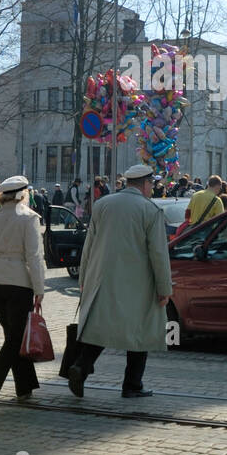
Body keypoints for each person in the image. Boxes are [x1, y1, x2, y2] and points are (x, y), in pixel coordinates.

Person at [68, 164, 173, 399]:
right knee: (141, 333)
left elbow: (89, 245)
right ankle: (132, 385)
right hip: (138, 284)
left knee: (100, 328)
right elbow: (158, 254)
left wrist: (84, 278)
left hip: (102, 279)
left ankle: (80, 367)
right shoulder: (150, 210)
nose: (153, 189)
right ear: (145, 184)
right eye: (152, 185)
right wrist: (164, 288)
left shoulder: (103, 204)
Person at [0, 176, 47, 408]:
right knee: (16, 338)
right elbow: (34, 256)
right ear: (22, 194)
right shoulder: (29, 218)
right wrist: (39, 288)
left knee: (13, 335)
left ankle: (25, 387)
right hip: (18, 282)